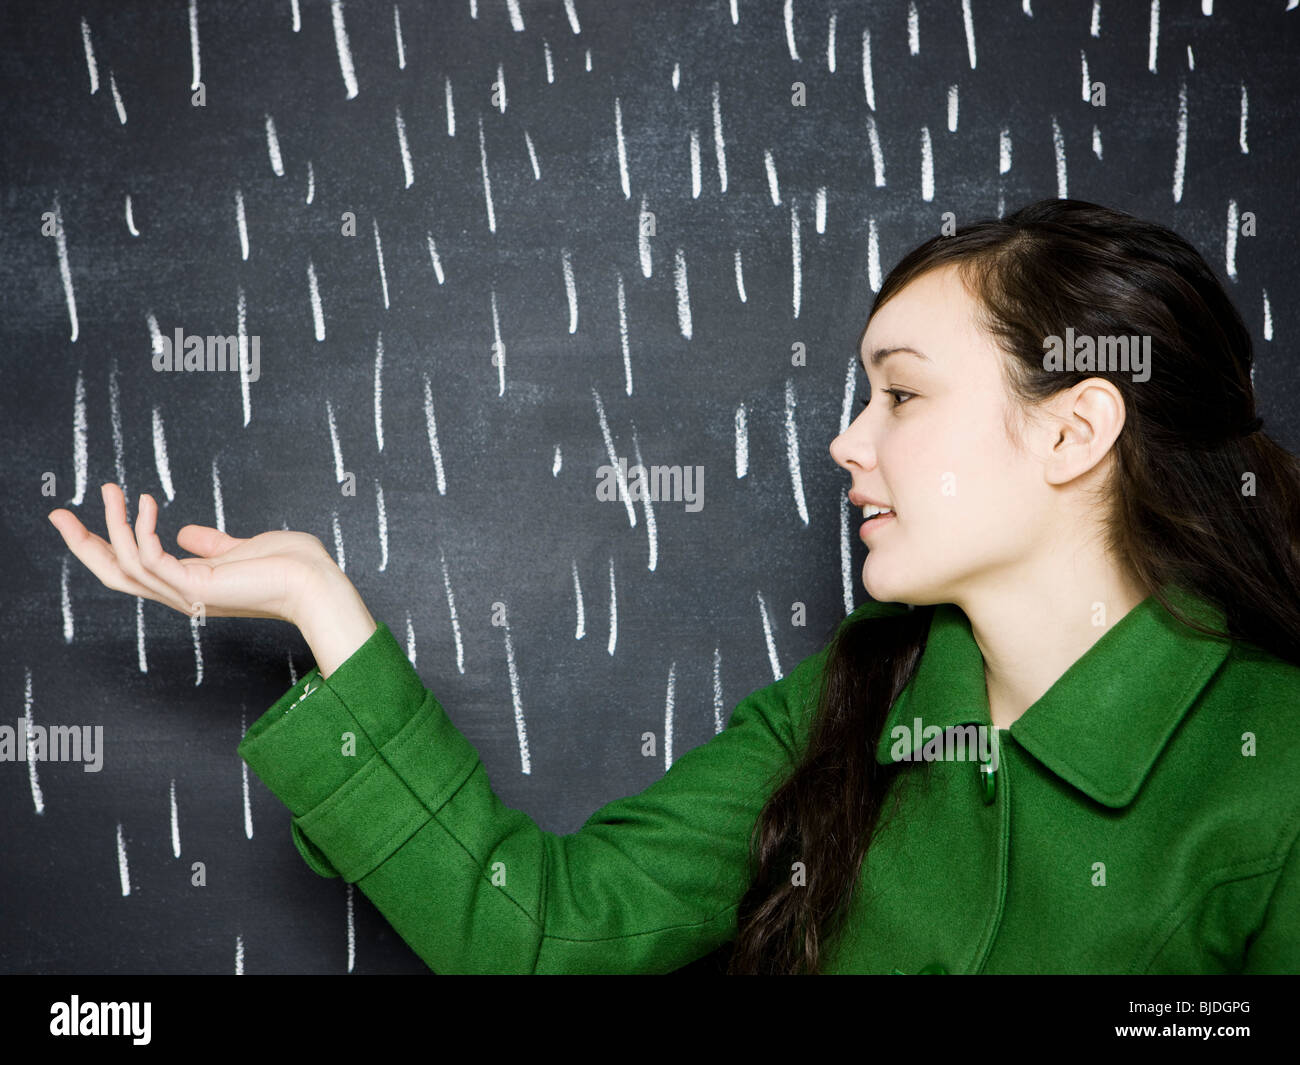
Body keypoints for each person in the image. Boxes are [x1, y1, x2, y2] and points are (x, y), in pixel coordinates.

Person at [47, 199, 1300, 974]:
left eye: (902, 394)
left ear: (1072, 431)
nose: (847, 444)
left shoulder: (1276, 770)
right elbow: (535, 932)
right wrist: (325, 608)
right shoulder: (858, 695)